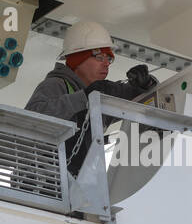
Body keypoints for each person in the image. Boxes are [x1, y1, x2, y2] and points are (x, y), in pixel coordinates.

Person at [24, 20, 157, 175]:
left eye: (109, 59)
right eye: (100, 57)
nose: (106, 63)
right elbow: (31, 119)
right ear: (77, 60)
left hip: (79, 186)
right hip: (40, 181)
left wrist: (145, 83)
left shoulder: (100, 96)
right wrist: (84, 98)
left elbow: (137, 98)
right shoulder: (56, 85)